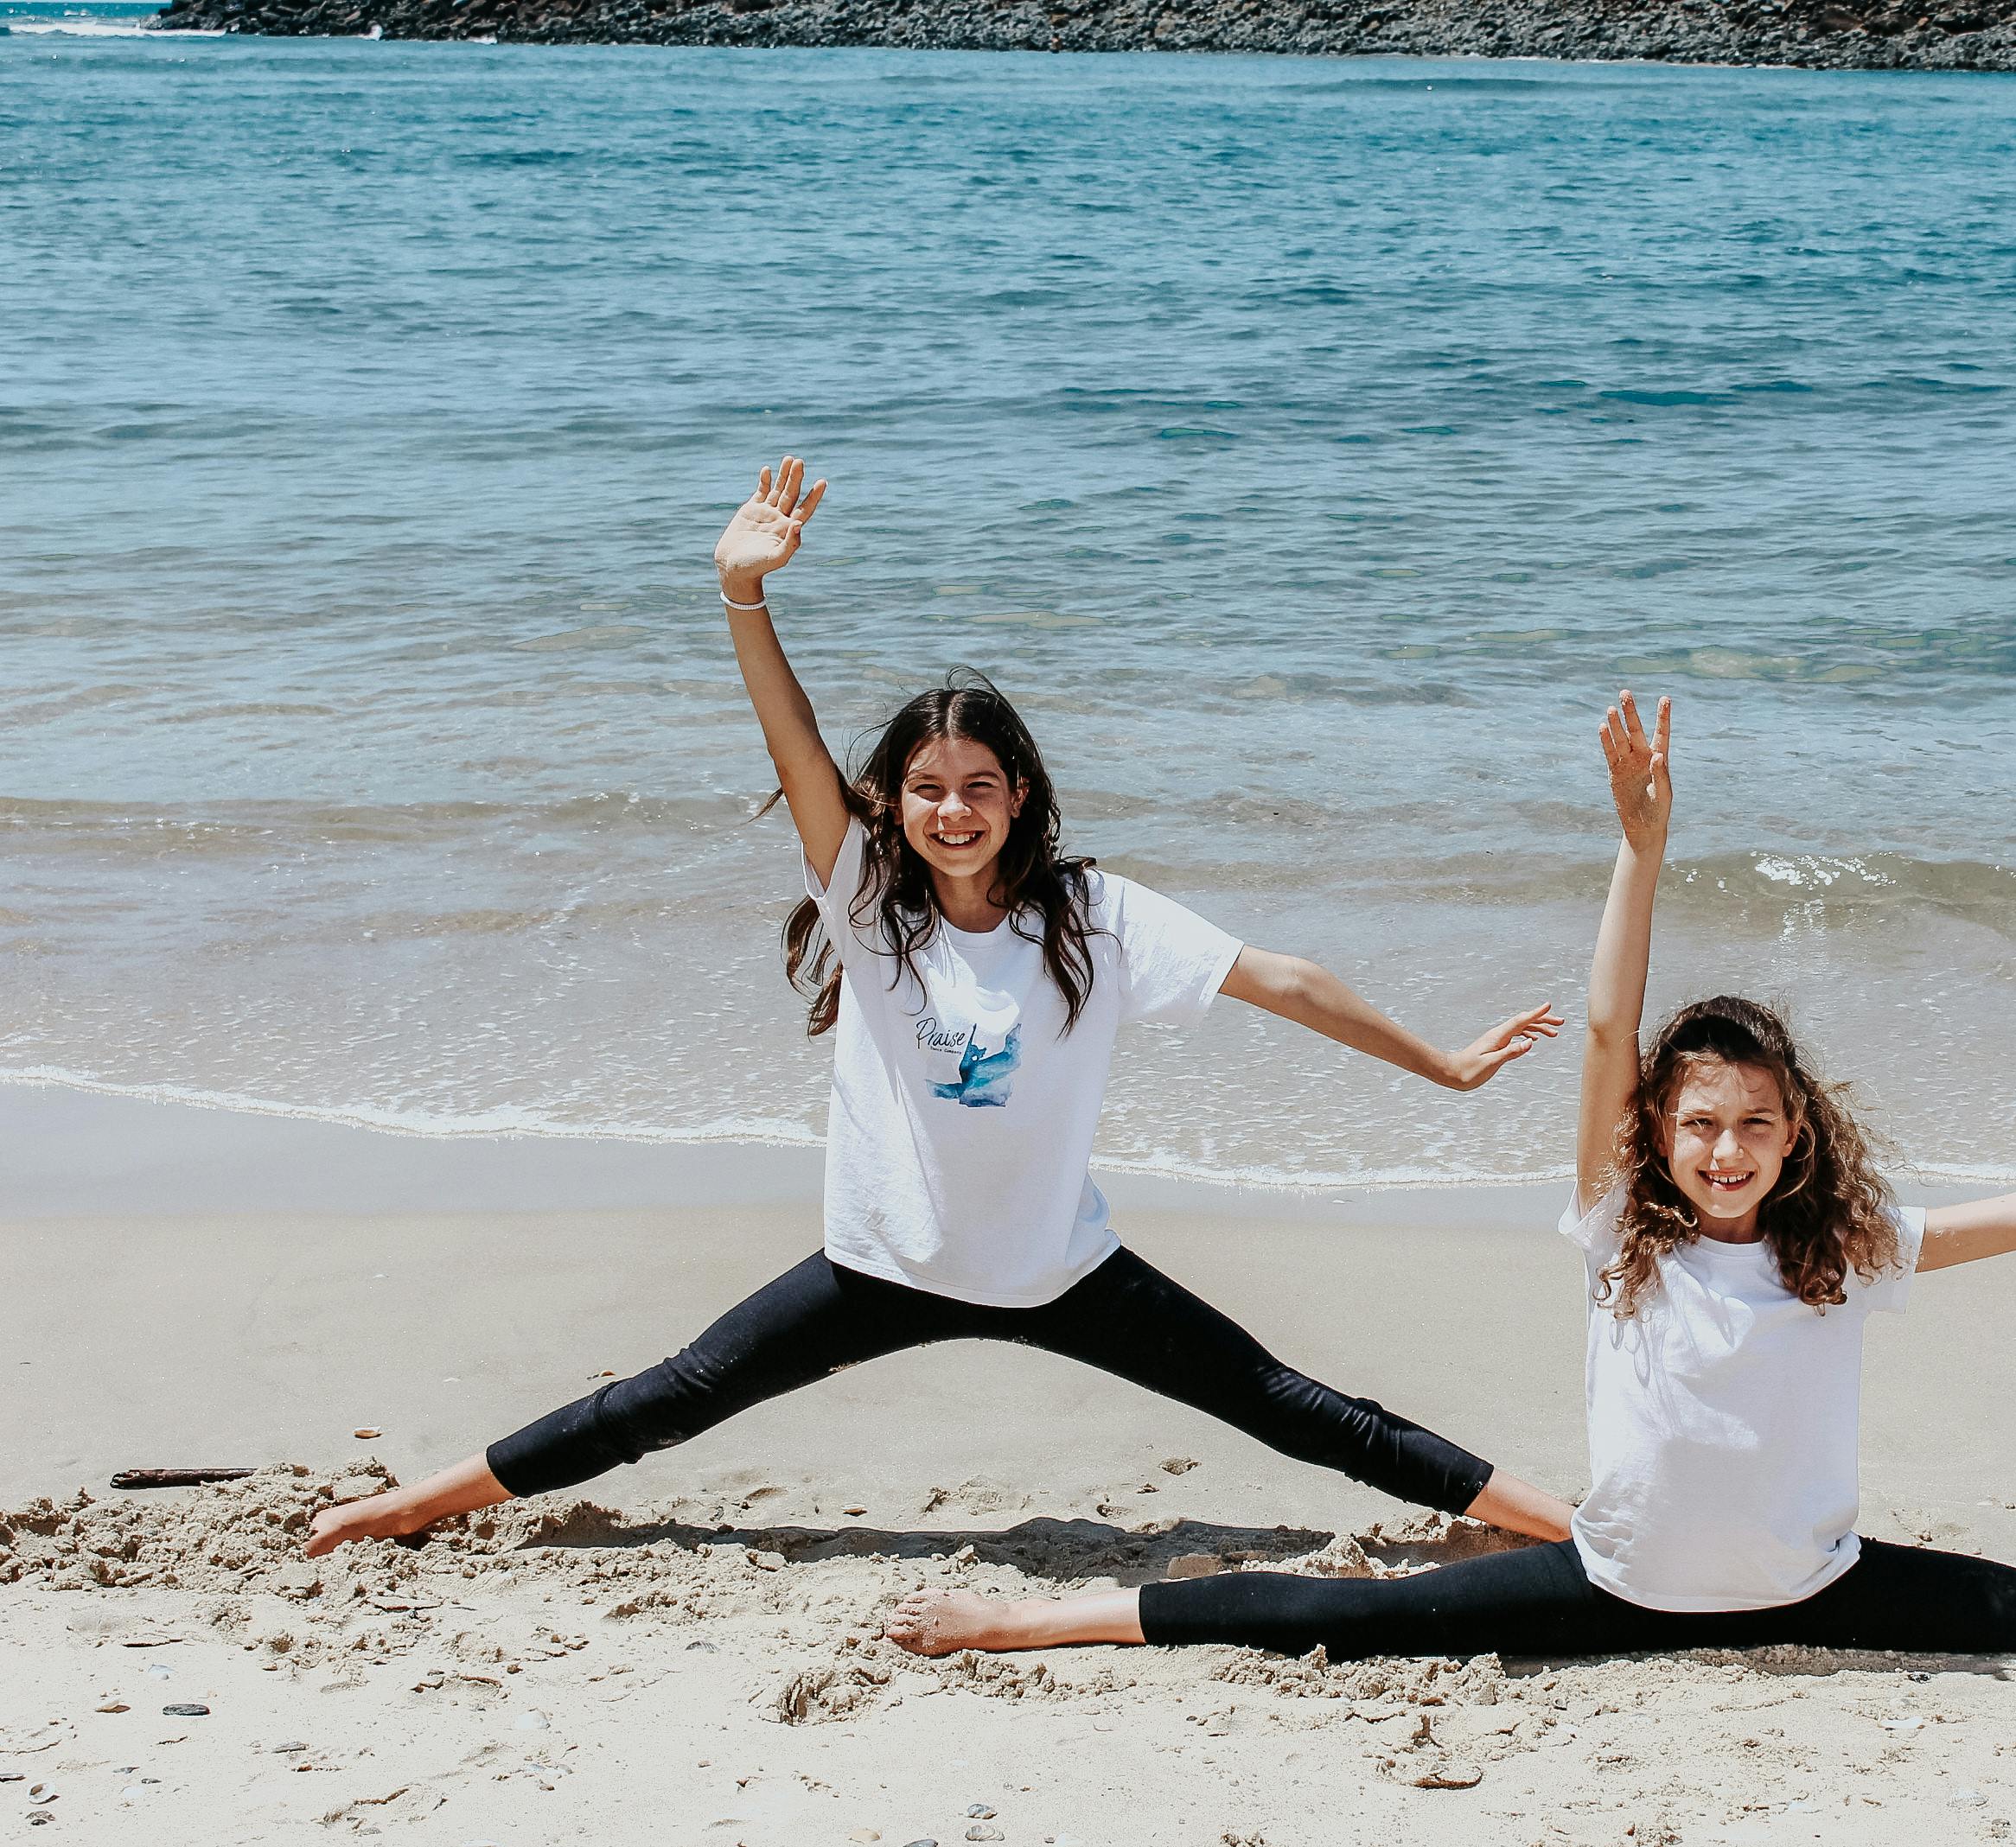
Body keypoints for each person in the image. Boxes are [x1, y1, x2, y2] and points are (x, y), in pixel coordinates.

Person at [882, 692, 2016, 1665]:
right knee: (1343, 1612)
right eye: (1697, 1127)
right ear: (1659, 1139)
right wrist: (1642, 851)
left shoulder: (1846, 1251)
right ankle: (1043, 1628)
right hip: (1613, 1586)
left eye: (1754, 1127)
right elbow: (1614, 1026)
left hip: (1816, 1588)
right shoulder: (1618, 1227)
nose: (1723, 1149)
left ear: (1796, 1137)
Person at [306, 458, 1575, 1558]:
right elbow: (793, 745)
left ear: (1019, 794)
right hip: (882, 1266)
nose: (952, 810)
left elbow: (1282, 978)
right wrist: (743, 595)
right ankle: (414, 1506)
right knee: (673, 1396)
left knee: (1288, 1405)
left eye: (978, 785)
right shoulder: (867, 901)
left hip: (1057, 1271)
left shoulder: (1096, 916)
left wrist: (1443, 1064)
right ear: (894, 803)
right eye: (926, 787)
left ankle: (1563, 1524)